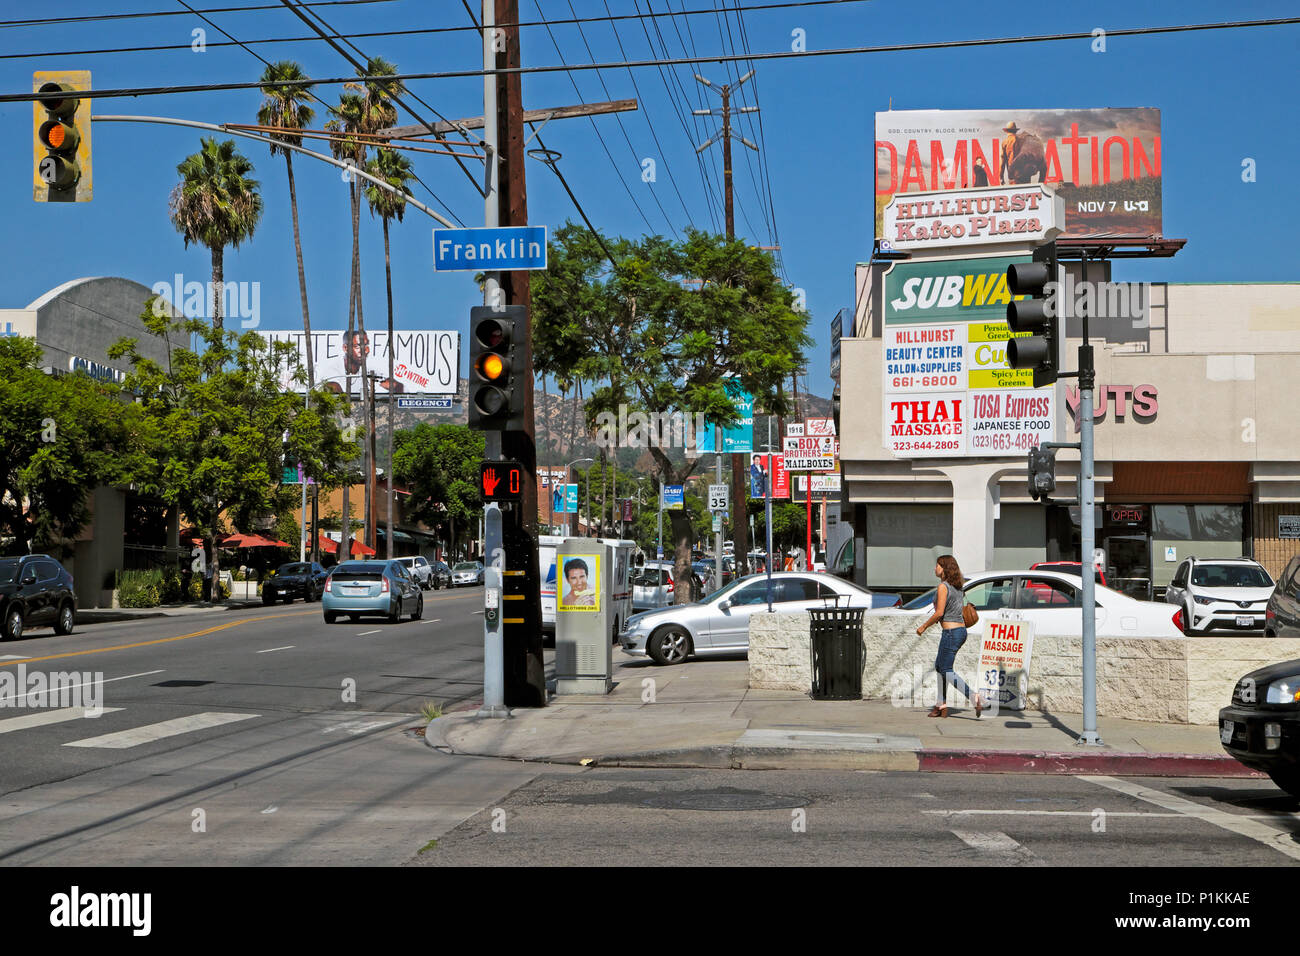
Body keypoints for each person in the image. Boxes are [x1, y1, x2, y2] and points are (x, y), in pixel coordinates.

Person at [916, 554, 985, 718]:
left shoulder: (943, 587)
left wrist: (923, 626)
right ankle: (941, 704)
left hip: (952, 632)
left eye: (938, 565)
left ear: (944, 568)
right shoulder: (957, 586)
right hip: (959, 631)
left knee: (946, 669)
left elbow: (939, 613)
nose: (935, 568)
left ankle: (974, 697)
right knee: (940, 666)